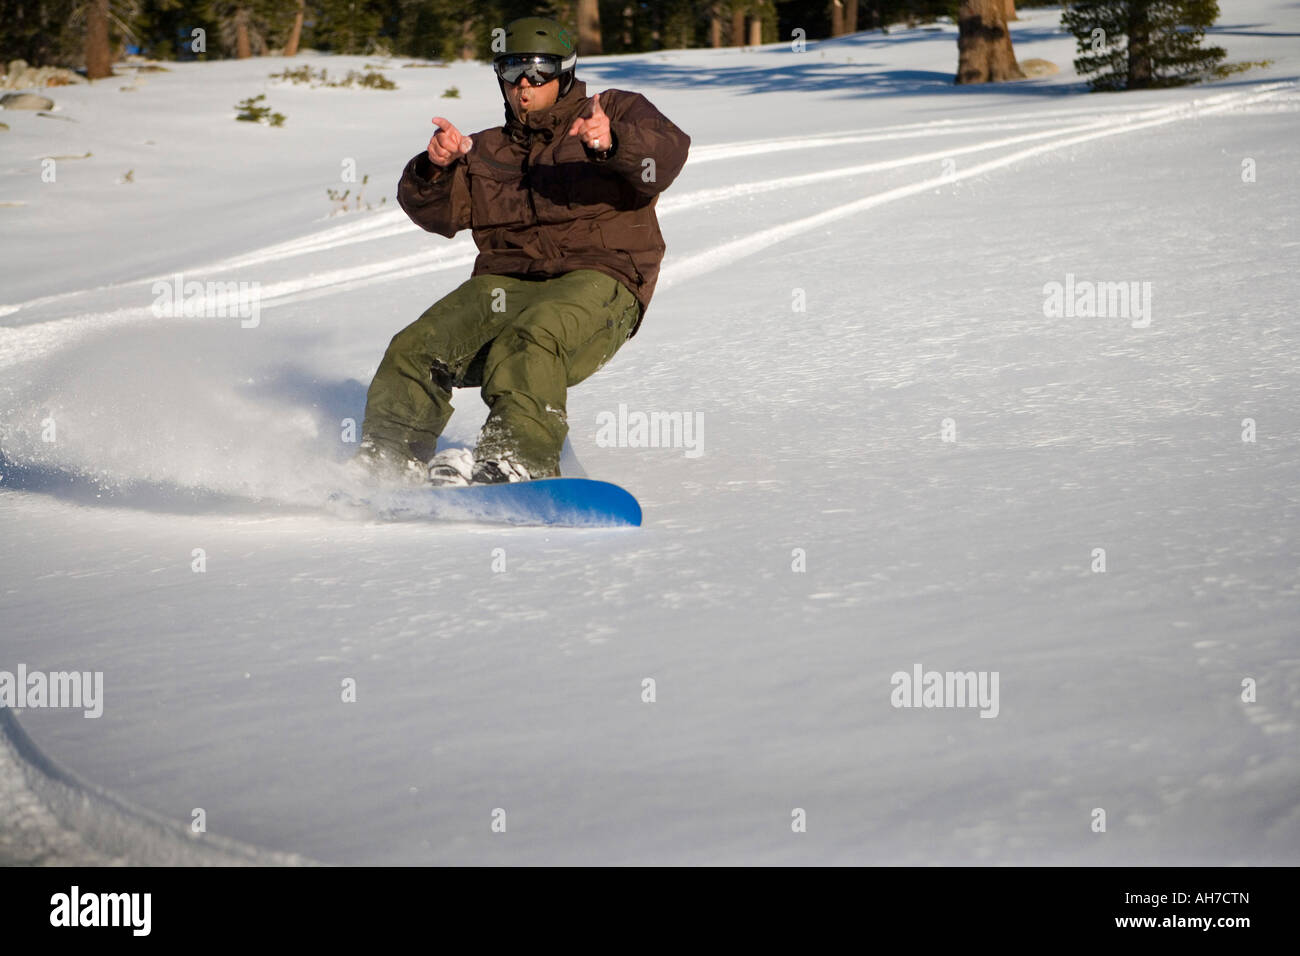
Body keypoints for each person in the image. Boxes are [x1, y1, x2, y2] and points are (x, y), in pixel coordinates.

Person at [355, 16, 691, 486]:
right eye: (513, 71)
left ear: (565, 72)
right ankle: (387, 462)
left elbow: (664, 160)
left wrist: (612, 144)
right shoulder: (487, 148)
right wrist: (435, 169)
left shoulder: (612, 110)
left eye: (539, 72)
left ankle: (517, 458)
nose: (525, 85)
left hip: (603, 278)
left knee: (534, 336)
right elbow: (437, 216)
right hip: (506, 284)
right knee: (417, 347)